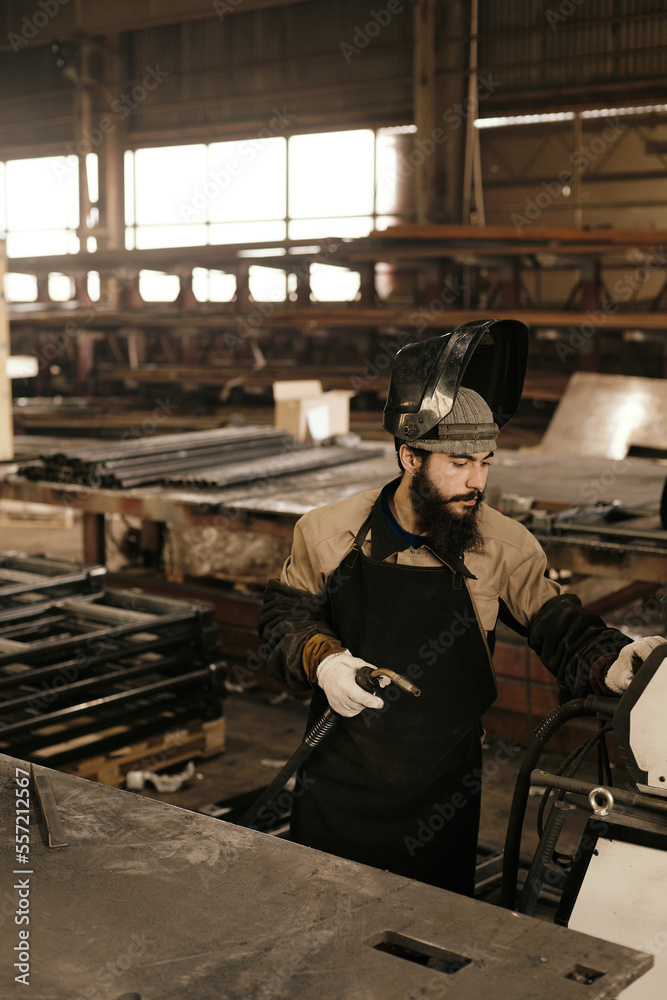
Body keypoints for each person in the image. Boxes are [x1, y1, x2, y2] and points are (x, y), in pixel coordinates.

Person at [257, 322, 666, 897]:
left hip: (442, 793)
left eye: (485, 462)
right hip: (340, 781)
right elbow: (282, 622)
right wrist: (324, 661)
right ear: (409, 456)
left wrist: (616, 661)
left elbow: (564, 629)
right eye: (457, 463)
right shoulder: (328, 533)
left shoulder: (504, 545)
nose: (476, 481)